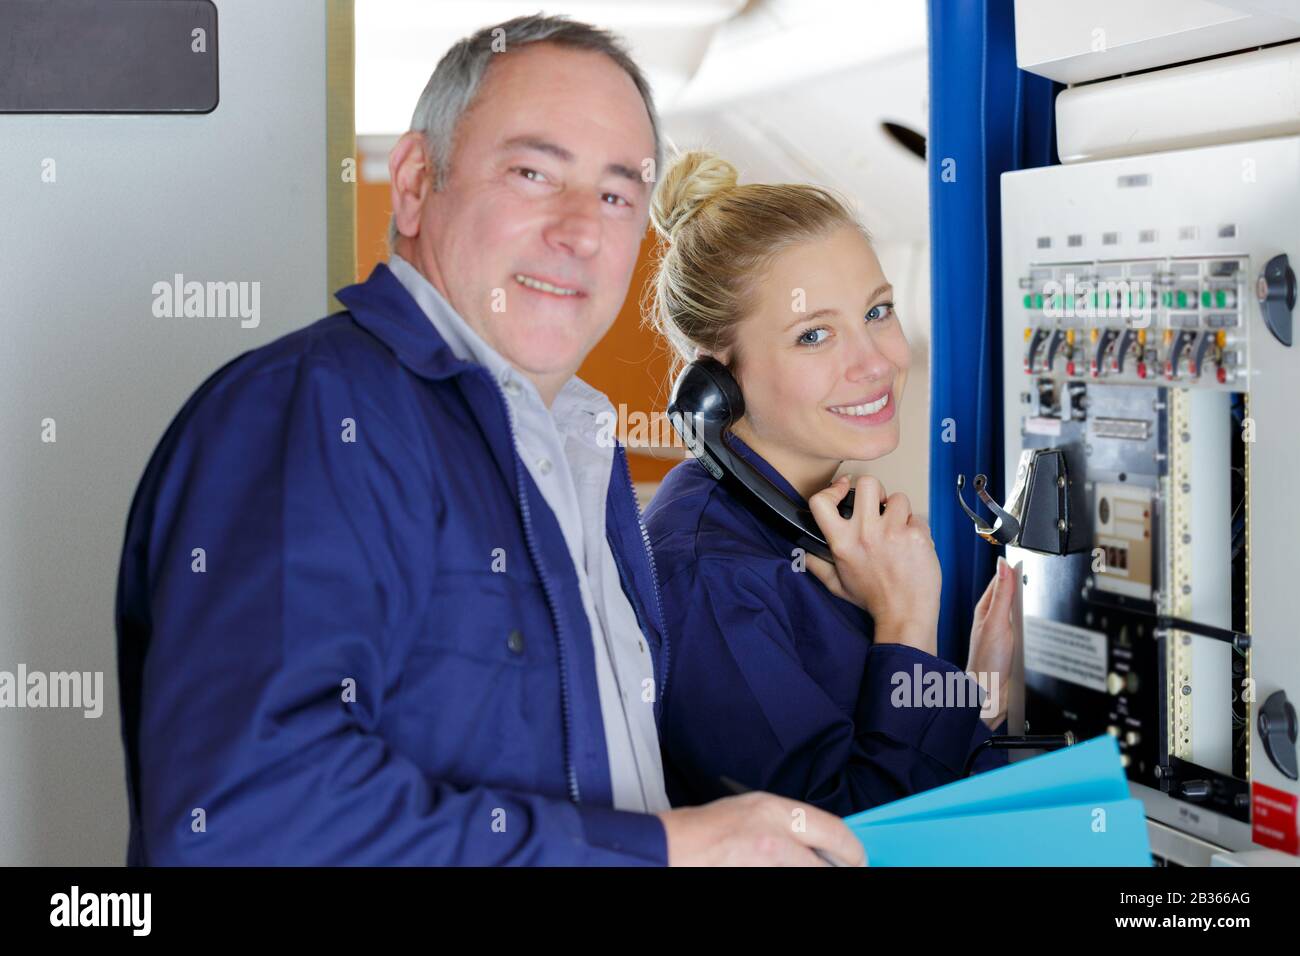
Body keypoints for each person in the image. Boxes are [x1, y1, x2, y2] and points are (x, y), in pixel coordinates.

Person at [115, 16, 863, 867]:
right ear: (413, 182)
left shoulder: (577, 448)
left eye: (618, 194)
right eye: (533, 173)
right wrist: (664, 849)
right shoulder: (311, 414)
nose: (582, 229)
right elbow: (249, 823)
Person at [642, 150, 1017, 814]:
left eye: (877, 313)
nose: (875, 363)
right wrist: (906, 622)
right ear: (714, 380)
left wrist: (972, 698)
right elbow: (851, 844)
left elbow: (877, 745)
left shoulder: (815, 524)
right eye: (814, 335)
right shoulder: (710, 577)